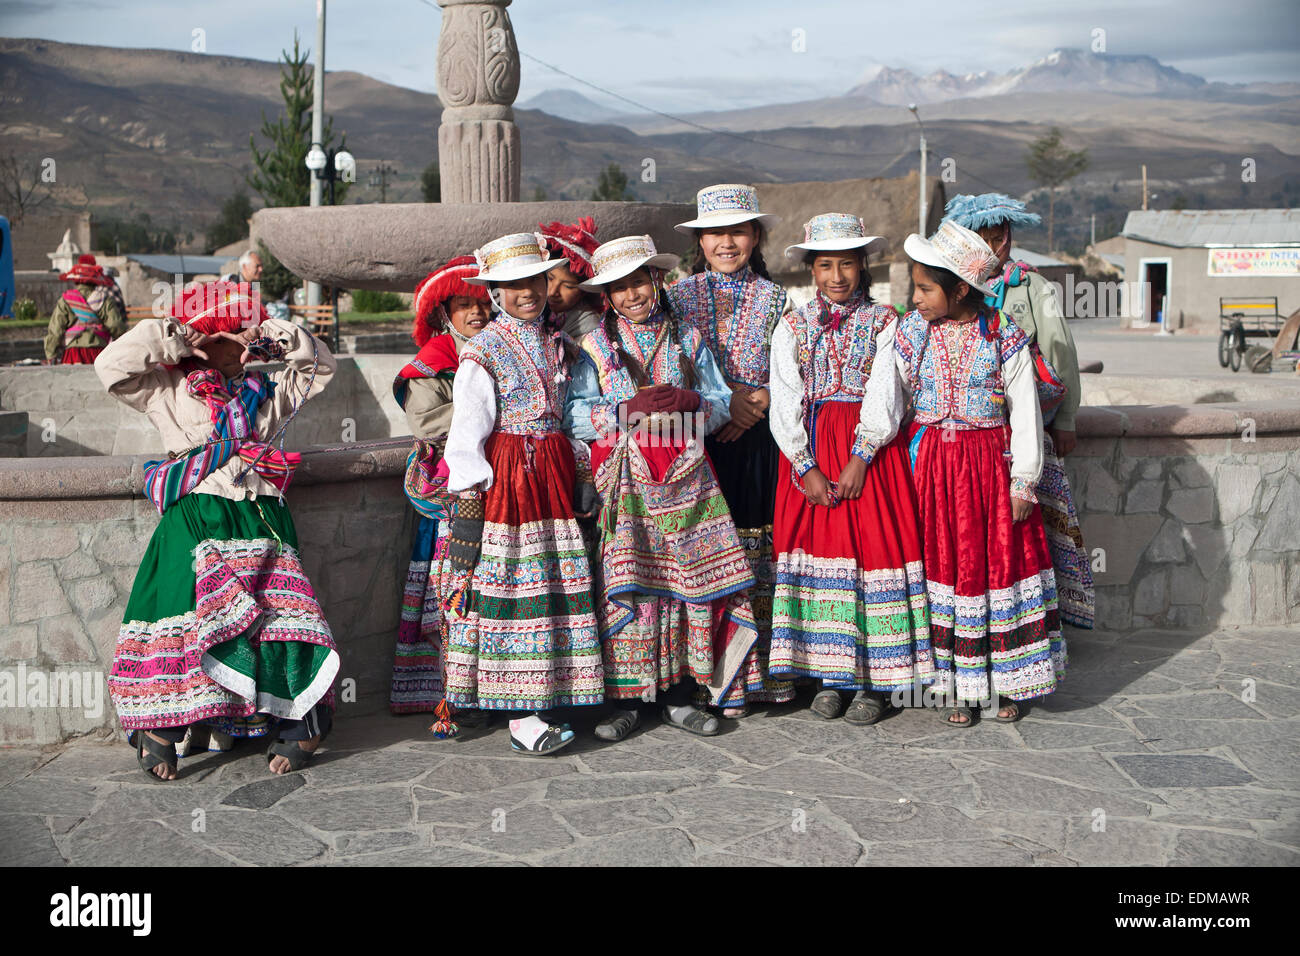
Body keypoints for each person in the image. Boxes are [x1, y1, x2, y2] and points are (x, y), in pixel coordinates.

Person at [94, 280, 339, 778]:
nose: (245, 347)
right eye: (232, 336)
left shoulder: (264, 392)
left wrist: (273, 335)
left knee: (282, 616)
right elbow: (109, 367)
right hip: (198, 512)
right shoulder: (167, 390)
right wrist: (178, 335)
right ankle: (163, 727)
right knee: (182, 611)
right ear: (203, 339)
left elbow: (321, 368)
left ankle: (303, 727)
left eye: (247, 336)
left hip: (261, 512)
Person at [565, 235, 770, 741]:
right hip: (629, 486)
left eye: (639, 281)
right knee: (634, 584)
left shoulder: (688, 340)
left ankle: (680, 694)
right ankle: (630, 700)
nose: (632, 294)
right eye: (619, 287)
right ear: (607, 296)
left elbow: (723, 402)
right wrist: (623, 413)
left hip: (690, 482)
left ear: (656, 280)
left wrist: (690, 400)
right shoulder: (595, 349)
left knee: (686, 587)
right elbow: (573, 414)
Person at [860, 221, 1064, 726]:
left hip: (989, 469)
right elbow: (888, 398)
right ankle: (958, 686)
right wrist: (864, 451)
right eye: (915, 287)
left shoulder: (1003, 335)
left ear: (959, 289)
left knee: (998, 567)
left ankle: (1008, 683)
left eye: (926, 288)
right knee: (943, 567)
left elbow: (1024, 413)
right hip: (931, 468)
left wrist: (1024, 481)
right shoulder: (911, 332)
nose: (916, 297)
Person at [441, 232, 604, 755]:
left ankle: (553, 694)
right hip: (511, 482)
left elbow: (570, 416)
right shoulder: (481, 353)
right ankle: (519, 715)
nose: (525, 293)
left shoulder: (556, 342)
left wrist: (580, 470)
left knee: (553, 585)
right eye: (510, 286)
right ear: (494, 292)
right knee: (515, 587)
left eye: (532, 281)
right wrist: (471, 503)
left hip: (550, 473)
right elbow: (466, 438)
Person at [769, 214, 933, 724]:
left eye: (846, 264)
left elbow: (888, 392)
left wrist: (862, 454)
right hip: (814, 449)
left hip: (870, 453)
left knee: (873, 551)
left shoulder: (888, 322)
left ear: (863, 266)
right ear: (810, 270)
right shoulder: (793, 325)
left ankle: (876, 683)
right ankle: (829, 675)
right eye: (825, 265)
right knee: (826, 553)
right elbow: (784, 397)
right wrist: (804, 464)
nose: (836, 276)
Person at [666, 184, 794, 715]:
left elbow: (797, 367)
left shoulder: (780, 300)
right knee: (702, 553)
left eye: (737, 231)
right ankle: (702, 674)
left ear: (756, 236)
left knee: (755, 551)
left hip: (758, 442)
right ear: (700, 239)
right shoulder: (675, 298)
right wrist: (723, 405)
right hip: (698, 444)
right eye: (716, 232)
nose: (726, 242)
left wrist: (758, 399)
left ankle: (757, 674)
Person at [944, 193, 1094, 628]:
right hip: (970, 442)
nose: (994, 249)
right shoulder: (950, 287)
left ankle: (1035, 625)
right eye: (983, 239)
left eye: (1000, 238)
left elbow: (1060, 356)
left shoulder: (1033, 288)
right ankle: (971, 624)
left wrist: (1064, 421)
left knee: (1031, 531)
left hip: (1025, 433)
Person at [390, 256, 492, 720]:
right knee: (451, 590)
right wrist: (490, 407)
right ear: (444, 313)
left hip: (500, 489)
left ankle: (494, 683)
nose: (477, 313)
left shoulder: (502, 349)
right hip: (452, 497)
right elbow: (427, 422)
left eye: (484, 303)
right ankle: (451, 691)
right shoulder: (433, 364)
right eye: (465, 305)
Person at [46, 254, 126, 364]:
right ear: (95, 280)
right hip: (99, 353)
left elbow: (55, 329)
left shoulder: (66, 299)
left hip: (73, 353)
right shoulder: (104, 298)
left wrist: (51, 353)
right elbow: (115, 325)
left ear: (76, 279)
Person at [539, 217, 603, 340]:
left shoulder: (590, 329)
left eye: (567, 286)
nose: (553, 292)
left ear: (583, 292)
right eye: (550, 278)